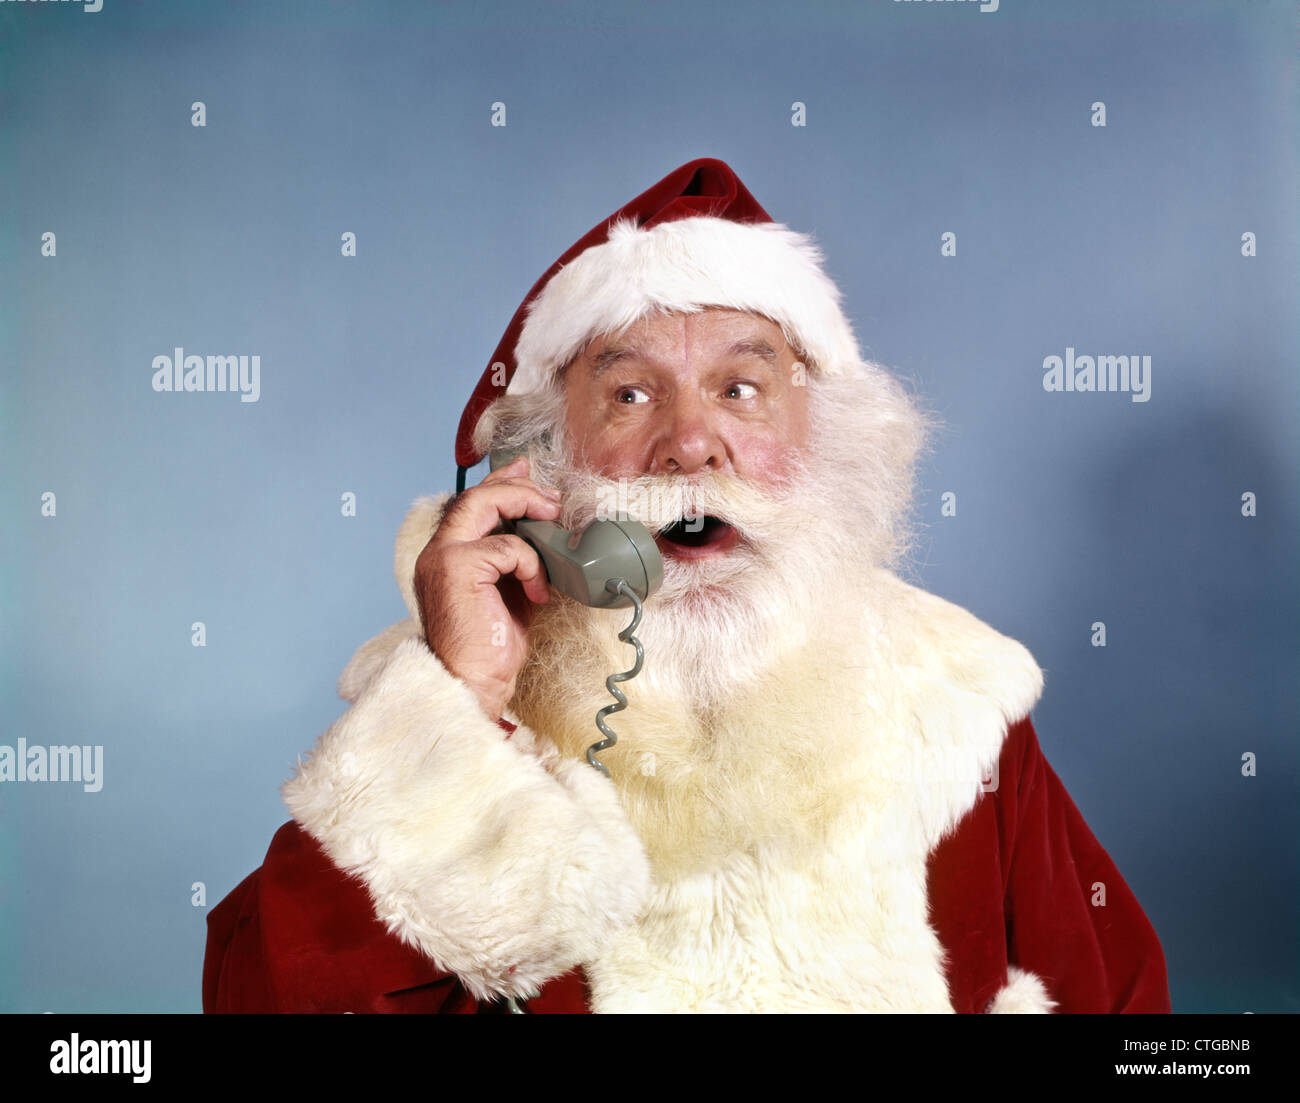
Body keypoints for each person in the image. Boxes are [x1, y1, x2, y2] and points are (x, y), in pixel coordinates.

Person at [203, 158, 1170, 1013]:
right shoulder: (451, 700)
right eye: (628, 394)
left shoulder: (960, 699)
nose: (691, 441)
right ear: (543, 463)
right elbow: (265, 997)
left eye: (741, 389)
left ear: (827, 435)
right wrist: (461, 705)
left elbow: (1116, 1000)